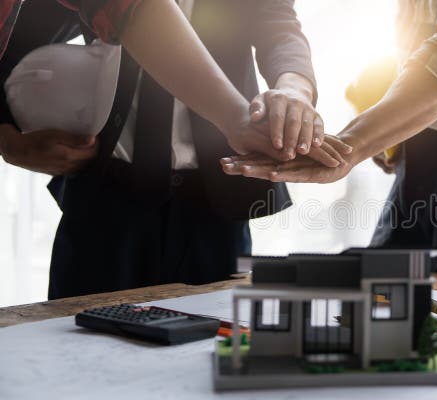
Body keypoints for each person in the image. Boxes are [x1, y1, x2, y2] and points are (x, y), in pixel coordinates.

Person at [0, 0, 347, 299]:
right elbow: (12, 42)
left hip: (217, 198)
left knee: (208, 355)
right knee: (78, 354)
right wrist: (8, 140)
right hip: (104, 198)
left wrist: (295, 89)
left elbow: (280, 28)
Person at [223, 0, 437, 282]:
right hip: (421, 144)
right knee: (385, 304)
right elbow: (417, 30)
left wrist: (354, 142)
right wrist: (385, 124)